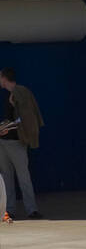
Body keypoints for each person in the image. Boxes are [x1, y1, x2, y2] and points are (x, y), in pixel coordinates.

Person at [0, 68, 44, 219]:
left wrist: (9, 126)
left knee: (22, 176)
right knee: (6, 178)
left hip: (16, 142)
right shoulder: (8, 95)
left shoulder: (19, 93)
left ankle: (31, 209)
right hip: (3, 142)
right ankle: (8, 209)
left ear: (4, 78)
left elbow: (25, 118)